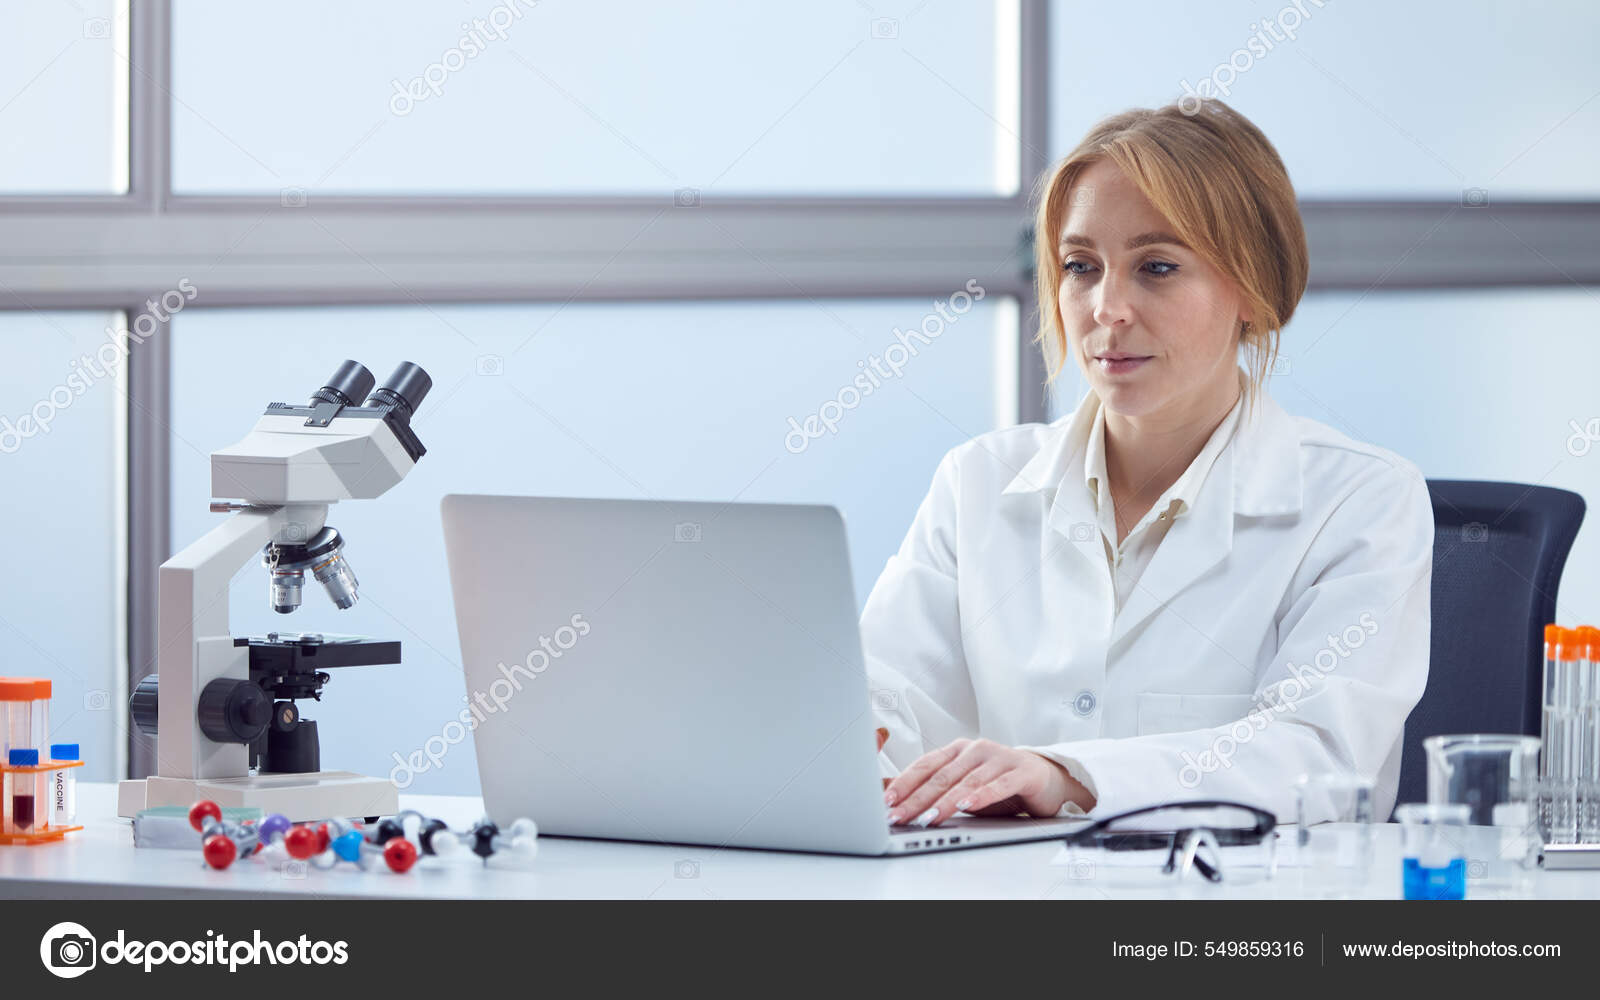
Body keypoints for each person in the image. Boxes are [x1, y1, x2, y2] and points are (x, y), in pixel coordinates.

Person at [863, 98, 1433, 830]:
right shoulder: (978, 480)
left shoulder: (1361, 499)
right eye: (1080, 267)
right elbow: (886, 703)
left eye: (1156, 268)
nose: (1107, 308)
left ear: (1254, 292)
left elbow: (1320, 759)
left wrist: (1069, 776)